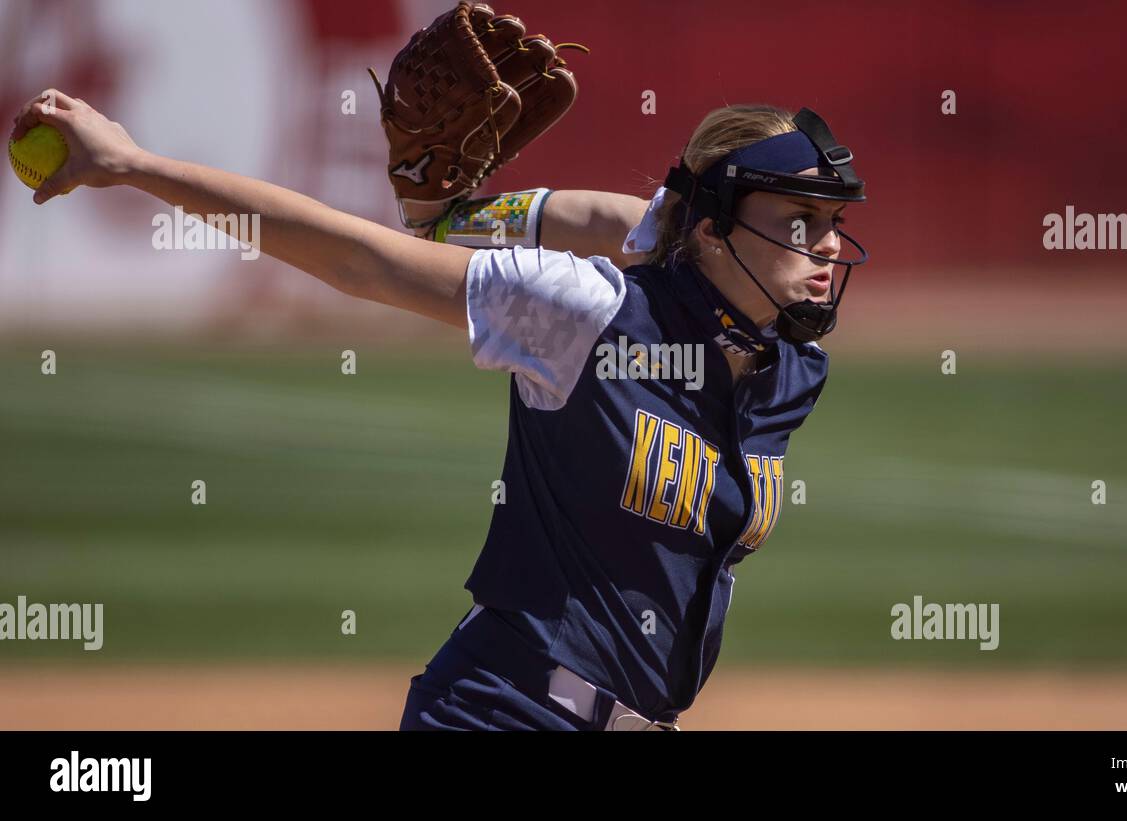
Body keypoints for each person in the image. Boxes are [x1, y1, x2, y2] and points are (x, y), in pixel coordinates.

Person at [11, 90, 867, 730]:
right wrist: (135, 164)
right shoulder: (585, 310)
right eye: (799, 220)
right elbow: (362, 263)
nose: (826, 245)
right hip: (501, 711)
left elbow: (632, 218)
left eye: (832, 221)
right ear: (716, 229)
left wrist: (453, 215)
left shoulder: (789, 365)